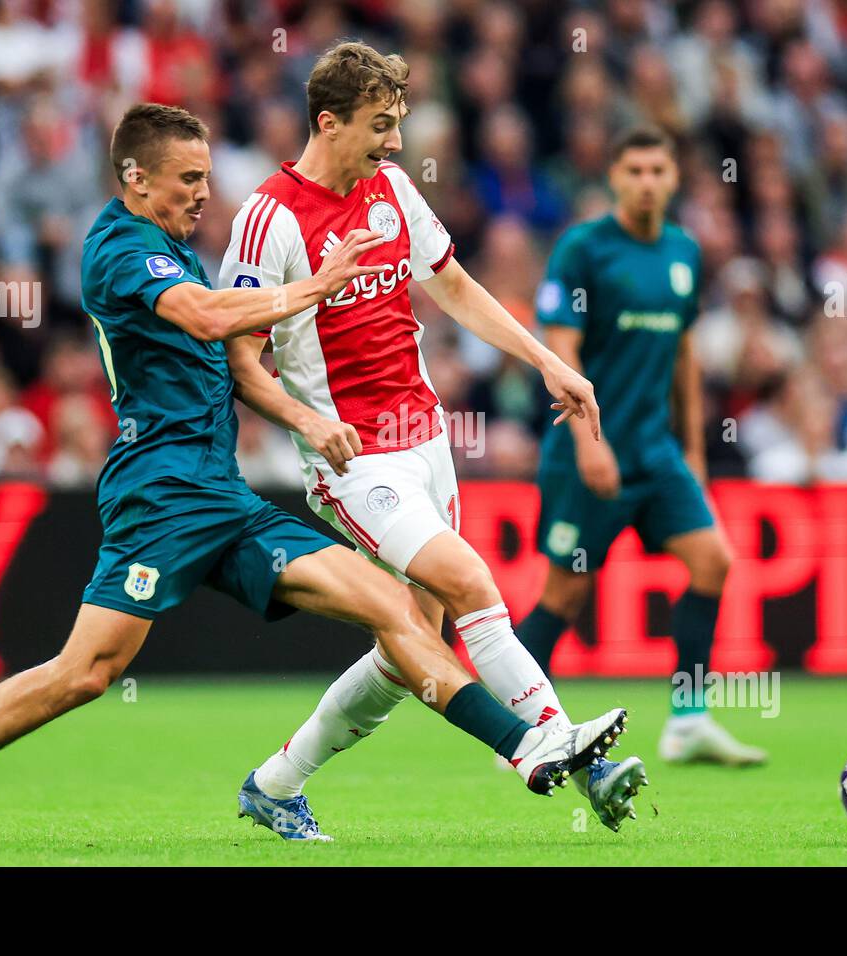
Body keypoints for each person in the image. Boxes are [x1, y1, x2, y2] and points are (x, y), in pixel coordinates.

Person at [0, 103, 630, 848]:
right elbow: (212, 319)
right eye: (188, 180)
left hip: (225, 496)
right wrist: (320, 287)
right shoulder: (118, 249)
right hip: (160, 497)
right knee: (85, 674)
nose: (203, 194)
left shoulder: (175, 245)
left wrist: (305, 412)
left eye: (207, 178)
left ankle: (526, 749)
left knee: (397, 610)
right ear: (136, 177)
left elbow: (234, 353)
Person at [220, 42, 647, 837]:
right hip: (351, 461)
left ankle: (275, 784)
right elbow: (239, 357)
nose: (394, 142)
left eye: (399, 124)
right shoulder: (268, 217)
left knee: (407, 645)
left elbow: (450, 284)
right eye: (380, 125)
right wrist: (311, 423)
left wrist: (548, 360)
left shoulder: (390, 190)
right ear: (329, 121)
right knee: (470, 581)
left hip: (426, 443)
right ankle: (562, 751)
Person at [516, 126, 766, 767]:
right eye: (635, 171)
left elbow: (683, 351)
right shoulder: (584, 249)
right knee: (564, 595)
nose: (648, 181)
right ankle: (518, 726)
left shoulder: (684, 252)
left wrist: (696, 452)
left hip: (656, 453)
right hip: (588, 452)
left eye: (659, 169)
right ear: (615, 179)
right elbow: (560, 347)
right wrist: (587, 440)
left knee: (714, 561)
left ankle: (687, 722)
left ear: (675, 177)